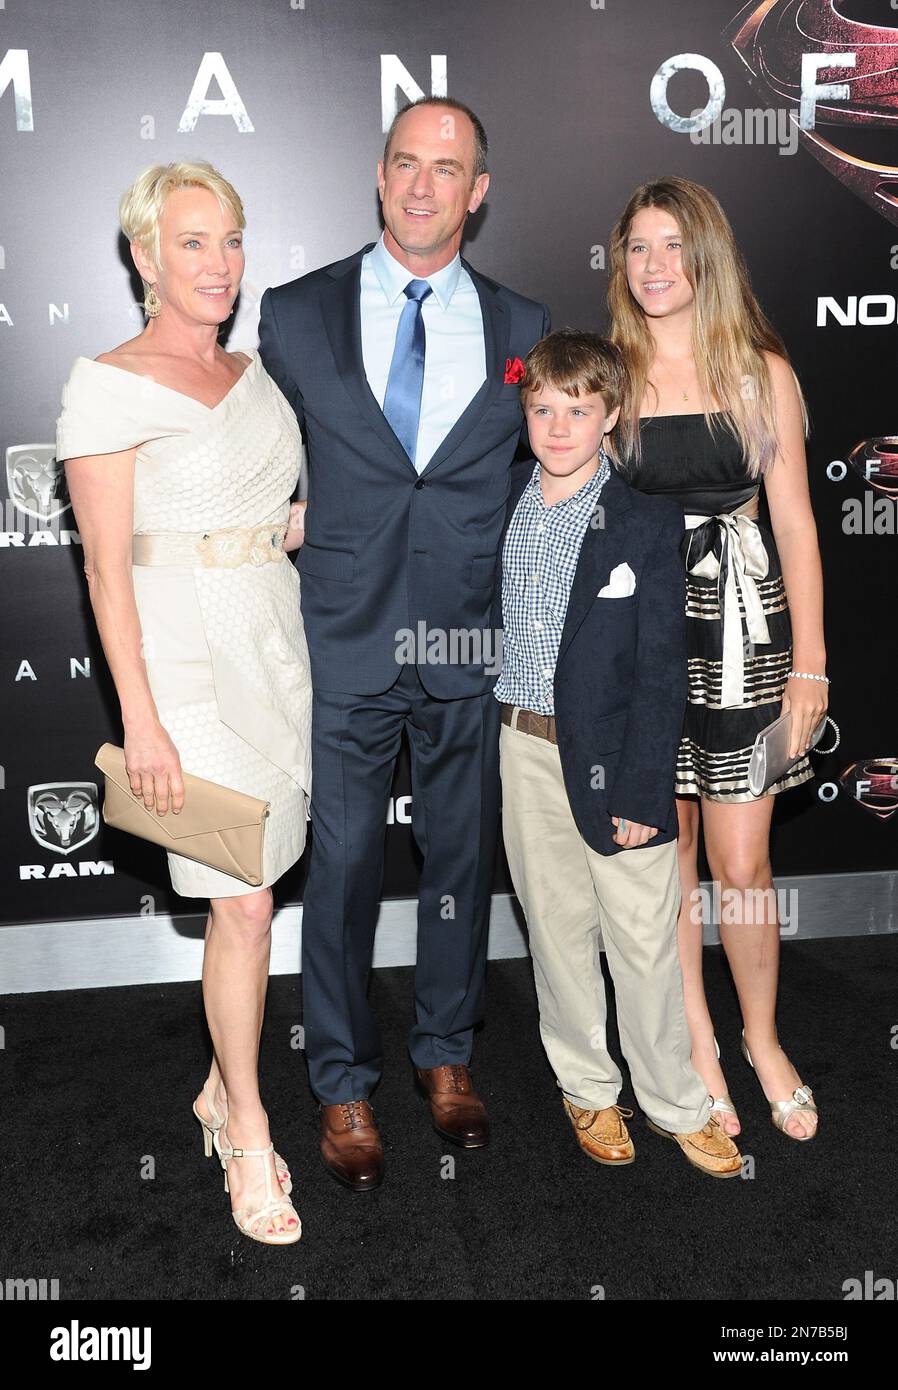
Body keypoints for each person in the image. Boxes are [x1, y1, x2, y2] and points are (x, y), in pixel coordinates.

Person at [259, 96, 549, 1190]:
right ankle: (339, 1080)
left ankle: (446, 1055)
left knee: (459, 863)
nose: (423, 184)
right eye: (404, 163)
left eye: (448, 167)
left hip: (465, 639)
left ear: (478, 191)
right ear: (379, 177)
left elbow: (538, 472)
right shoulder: (294, 314)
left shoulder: (525, 327)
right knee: (336, 867)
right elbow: (262, 456)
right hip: (338, 633)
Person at [56, 160, 311, 1243]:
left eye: (233, 239)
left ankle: (219, 1083)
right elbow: (108, 571)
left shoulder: (255, 371)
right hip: (183, 673)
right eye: (192, 242)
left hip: (273, 648)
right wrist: (140, 719)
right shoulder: (105, 383)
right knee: (243, 901)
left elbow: (273, 514)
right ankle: (246, 1129)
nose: (218, 264)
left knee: (254, 893)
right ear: (144, 256)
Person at [607, 176, 826, 1141]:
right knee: (672, 854)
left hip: (741, 628)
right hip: (646, 632)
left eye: (671, 246)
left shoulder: (757, 369)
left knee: (743, 857)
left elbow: (797, 525)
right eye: (637, 247)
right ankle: (697, 1038)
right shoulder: (607, 374)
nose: (654, 267)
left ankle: (763, 1038)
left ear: (707, 258)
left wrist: (810, 665)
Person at [495, 328, 741, 1178]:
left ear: (612, 417)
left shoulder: (644, 520)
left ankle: (674, 1098)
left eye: (580, 410)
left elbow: (665, 671)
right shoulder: (505, 503)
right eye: (543, 409)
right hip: (523, 750)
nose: (559, 427)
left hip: (619, 763)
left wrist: (645, 789)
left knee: (640, 940)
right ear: (524, 411)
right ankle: (587, 1088)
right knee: (557, 934)